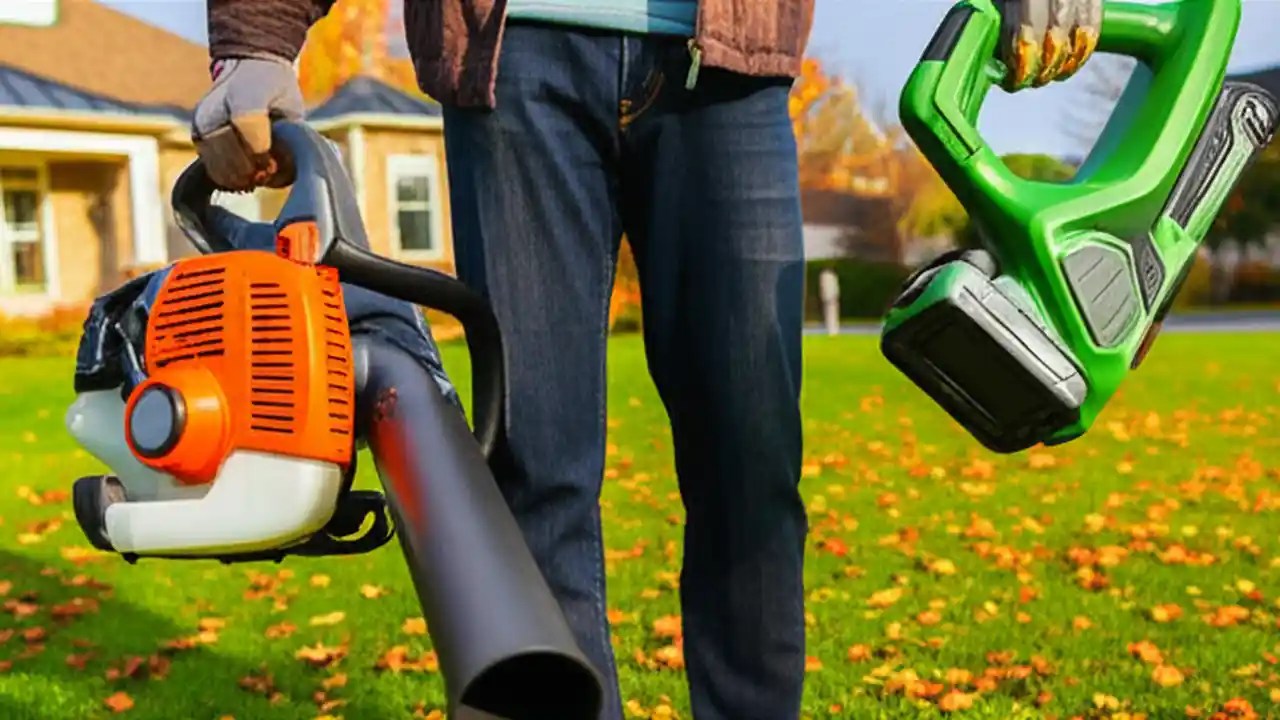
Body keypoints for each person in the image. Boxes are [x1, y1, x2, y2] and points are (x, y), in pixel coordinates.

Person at [192, 1, 1101, 717]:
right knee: (532, 472)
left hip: (728, 61)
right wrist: (256, 36)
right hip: (511, 57)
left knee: (750, 471)